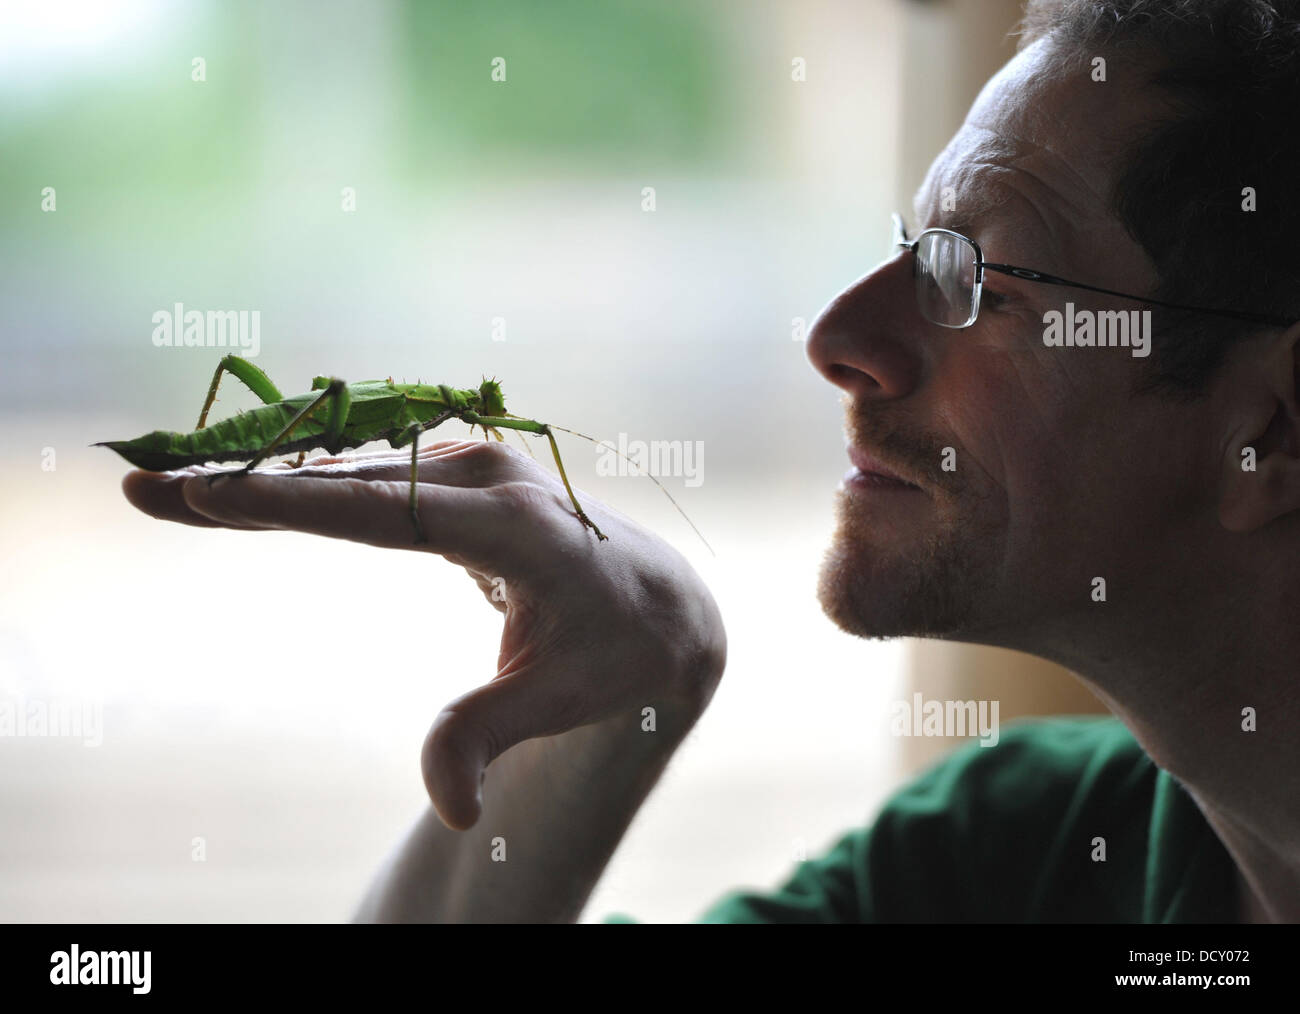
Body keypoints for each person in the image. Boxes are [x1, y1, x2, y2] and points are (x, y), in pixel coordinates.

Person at [120, 0, 1300, 923]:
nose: (834, 338)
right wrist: (624, 689)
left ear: (1272, 432)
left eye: (969, 273)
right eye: (905, 246)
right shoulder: (1002, 847)